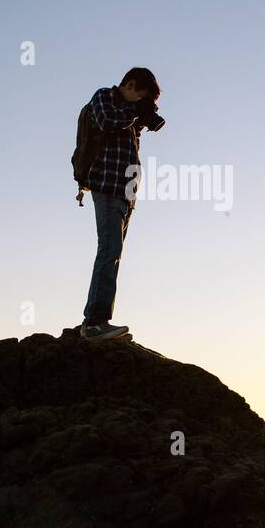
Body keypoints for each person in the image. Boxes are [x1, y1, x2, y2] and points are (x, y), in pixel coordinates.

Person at [80, 67, 165, 340]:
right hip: (105, 184)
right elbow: (106, 121)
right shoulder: (104, 97)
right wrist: (136, 113)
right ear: (130, 84)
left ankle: (100, 322)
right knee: (109, 249)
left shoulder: (131, 114)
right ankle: (94, 322)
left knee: (113, 253)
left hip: (126, 191)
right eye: (140, 93)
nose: (139, 101)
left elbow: (129, 133)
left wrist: (144, 116)